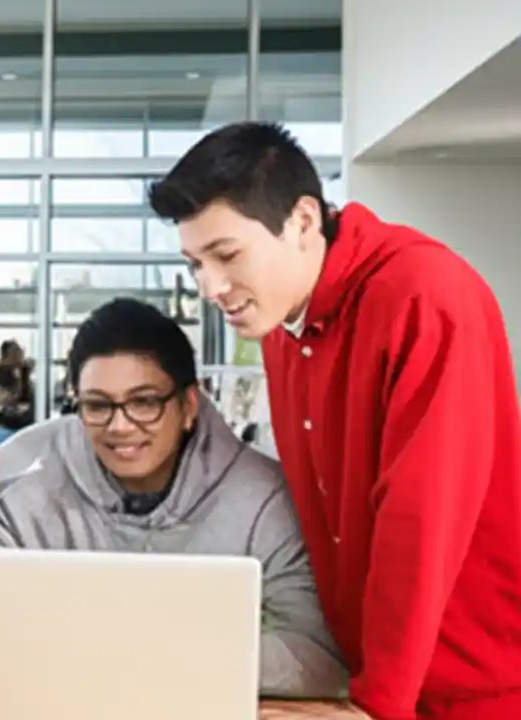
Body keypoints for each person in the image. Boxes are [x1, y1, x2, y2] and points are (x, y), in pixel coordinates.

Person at [149, 121, 521, 719]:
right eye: (195, 263)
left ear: (301, 221)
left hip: (471, 688)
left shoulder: (424, 296)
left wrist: (377, 706)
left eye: (226, 255)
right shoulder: (280, 326)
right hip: (370, 681)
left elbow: (421, 515)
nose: (210, 287)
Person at [0, 298, 348, 699]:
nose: (120, 426)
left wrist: (143, 655)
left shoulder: (263, 495)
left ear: (189, 405)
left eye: (144, 402)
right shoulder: (21, 473)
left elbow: (317, 653)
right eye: (97, 405)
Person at [0, 339, 32, 408]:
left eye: (19, 352)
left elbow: (27, 397)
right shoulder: (2, 373)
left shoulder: (21, 372)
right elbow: (2, 401)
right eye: (15, 352)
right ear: (7, 357)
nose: (20, 355)